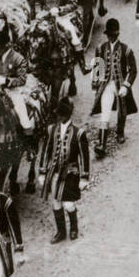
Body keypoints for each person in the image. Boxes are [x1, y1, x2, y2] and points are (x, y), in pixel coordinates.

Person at [38, 98, 90, 242]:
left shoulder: (79, 133)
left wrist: (84, 177)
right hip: (54, 173)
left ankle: (74, 228)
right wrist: (42, 172)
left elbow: (84, 157)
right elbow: (45, 151)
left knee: (68, 204)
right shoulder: (51, 129)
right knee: (56, 202)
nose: (58, 117)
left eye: (60, 115)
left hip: (70, 174)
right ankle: (61, 232)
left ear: (66, 116)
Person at [90, 17, 138, 156]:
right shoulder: (101, 48)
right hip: (106, 85)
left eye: (114, 35)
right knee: (105, 112)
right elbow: (97, 66)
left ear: (117, 34)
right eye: (110, 35)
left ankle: (120, 131)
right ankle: (101, 144)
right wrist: (95, 84)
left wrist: (126, 86)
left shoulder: (126, 50)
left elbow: (133, 70)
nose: (111, 37)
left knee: (122, 110)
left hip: (120, 85)